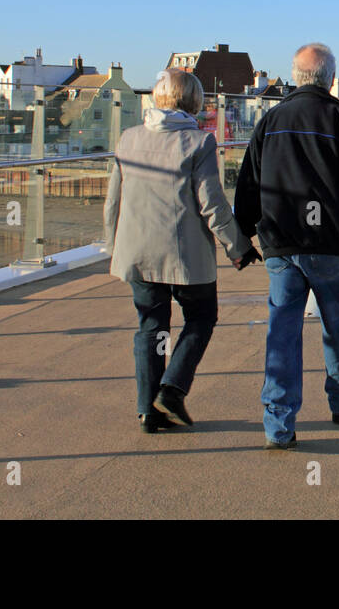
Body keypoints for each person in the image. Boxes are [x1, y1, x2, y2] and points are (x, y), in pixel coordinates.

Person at [233, 43, 339, 450]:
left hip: (281, 245)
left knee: (281, 332)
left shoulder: (270, 121)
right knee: (336, 326)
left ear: (295, 77)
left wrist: (246, 235)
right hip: (333, 246)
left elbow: (249, 184)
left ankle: (279, 425)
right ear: (331, 79)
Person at [104, 67, 252, 434]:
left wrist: (115, 248)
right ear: (194, 102)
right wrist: (238, 247)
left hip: (136, 252)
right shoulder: (199, 143)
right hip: (184, 257)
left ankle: (146, 409)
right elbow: (212, 205)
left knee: (151, 328)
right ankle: (172, 388)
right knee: (201, 319)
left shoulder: (128, 138)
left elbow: (113, 202)